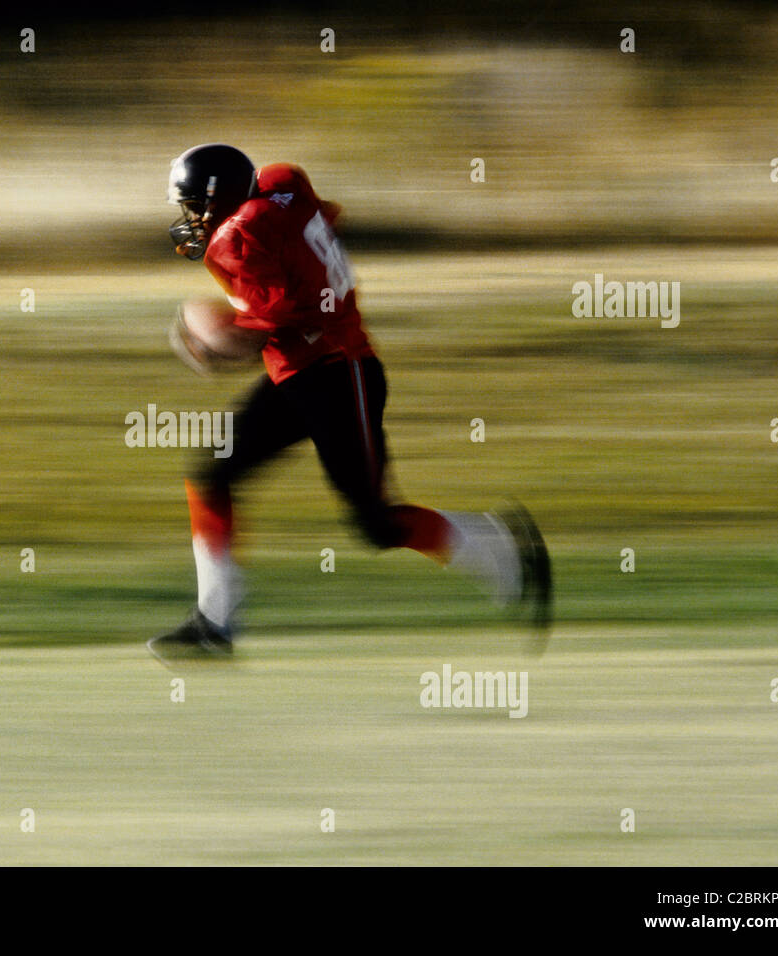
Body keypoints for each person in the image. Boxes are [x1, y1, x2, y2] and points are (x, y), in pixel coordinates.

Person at [148, 143, 551, 662]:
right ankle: (216, 619)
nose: (192, 219)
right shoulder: (283, 180)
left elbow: (274, 319)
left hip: (341, 375)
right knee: (214, 475)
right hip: (299, 375)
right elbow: (317, 226)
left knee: (377, 524)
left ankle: (497, 547)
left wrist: (214, 336)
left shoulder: (237, 238)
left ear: (220, 198)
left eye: (196, 206)